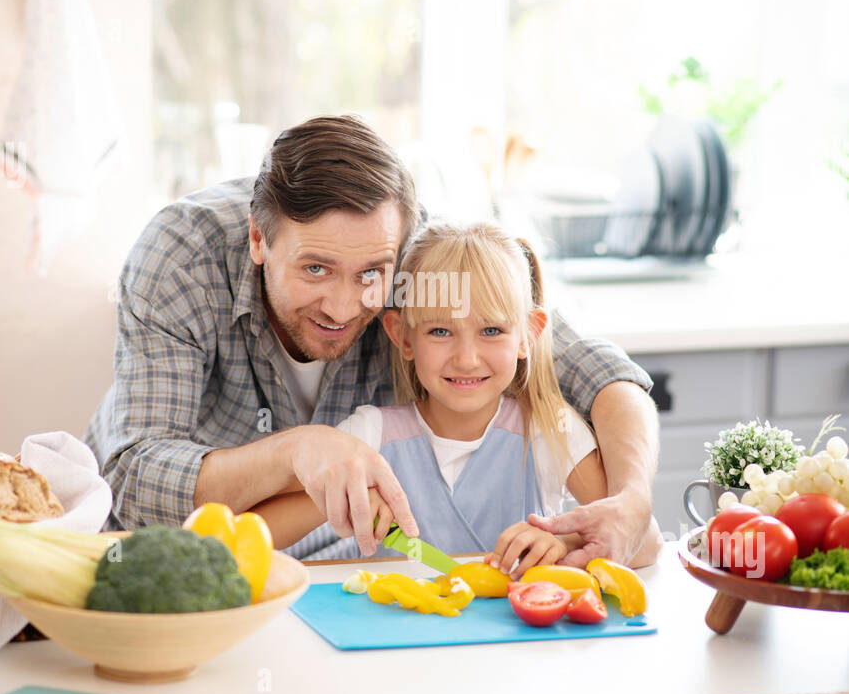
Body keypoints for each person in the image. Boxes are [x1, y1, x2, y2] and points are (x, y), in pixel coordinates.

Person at [84, 115, 659, 566]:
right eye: (315, 270)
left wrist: (632, 503)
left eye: (370, 275)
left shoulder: (415, 254)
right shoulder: (183, 256)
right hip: (176, 558)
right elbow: (136, 480)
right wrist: (294, 452)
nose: (343, 306)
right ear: (260, 239)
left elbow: (593, 369)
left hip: (339, 564)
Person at [257, 221, 663, 572]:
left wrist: (567, 545)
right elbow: (257, 537)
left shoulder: (550, 429)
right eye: (440, 332)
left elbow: (645, 544)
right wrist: (340, 498)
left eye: (491, 331)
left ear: (529, 335)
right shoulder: (371, 435)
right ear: (402, 336)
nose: (467, 359)